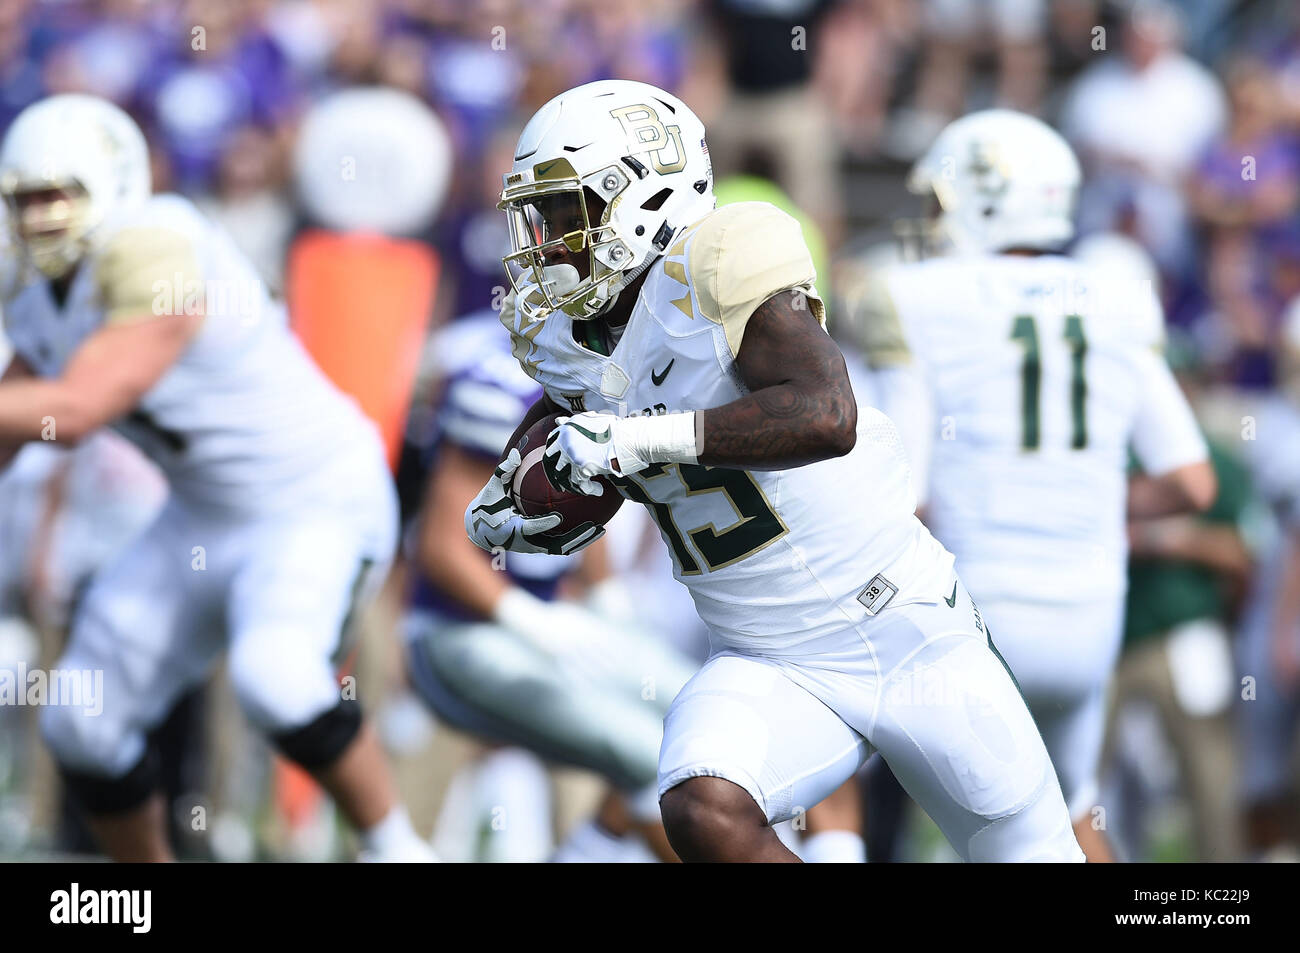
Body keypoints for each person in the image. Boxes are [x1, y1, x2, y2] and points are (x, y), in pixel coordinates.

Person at [467, 79, 1083, 862]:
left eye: (563, 214)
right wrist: (516, 496)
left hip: (905, 628)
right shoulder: (570, 337)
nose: (547, 243)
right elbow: (574, 436)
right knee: (704, 809)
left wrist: (633, 442)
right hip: (768, 658)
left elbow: (826, 414)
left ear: (638, 194)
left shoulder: (717, 259)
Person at [0, 94, 431, 862]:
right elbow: (16, 421)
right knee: (80, 719)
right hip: (200, 515)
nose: (38, 219)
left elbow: (73, 409)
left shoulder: (159, 244)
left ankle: (398, 848)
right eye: (24, 200)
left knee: (277, 679)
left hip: (314, 500)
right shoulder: (43, 297)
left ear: (112, 183)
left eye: (56, 196)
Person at [856, 110, 1216, 861]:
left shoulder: (919, 296)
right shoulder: (1116, 293)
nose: (932, 221)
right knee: (1074, 812)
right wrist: (1075, 496)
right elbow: (1192, 480)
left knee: (838, 766)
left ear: (984, 200)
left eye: (942, 203)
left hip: (978, 612)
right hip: (1090, 615)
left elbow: (900, 489)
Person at [404, 309, 697, 862]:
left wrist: (607, 597)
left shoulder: (602, 373)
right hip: (461, 633)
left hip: (549, 621)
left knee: (701, 717)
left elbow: (581, 505)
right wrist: (530, 621)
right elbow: (443, 547)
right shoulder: (497, 380)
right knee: (646, 754)